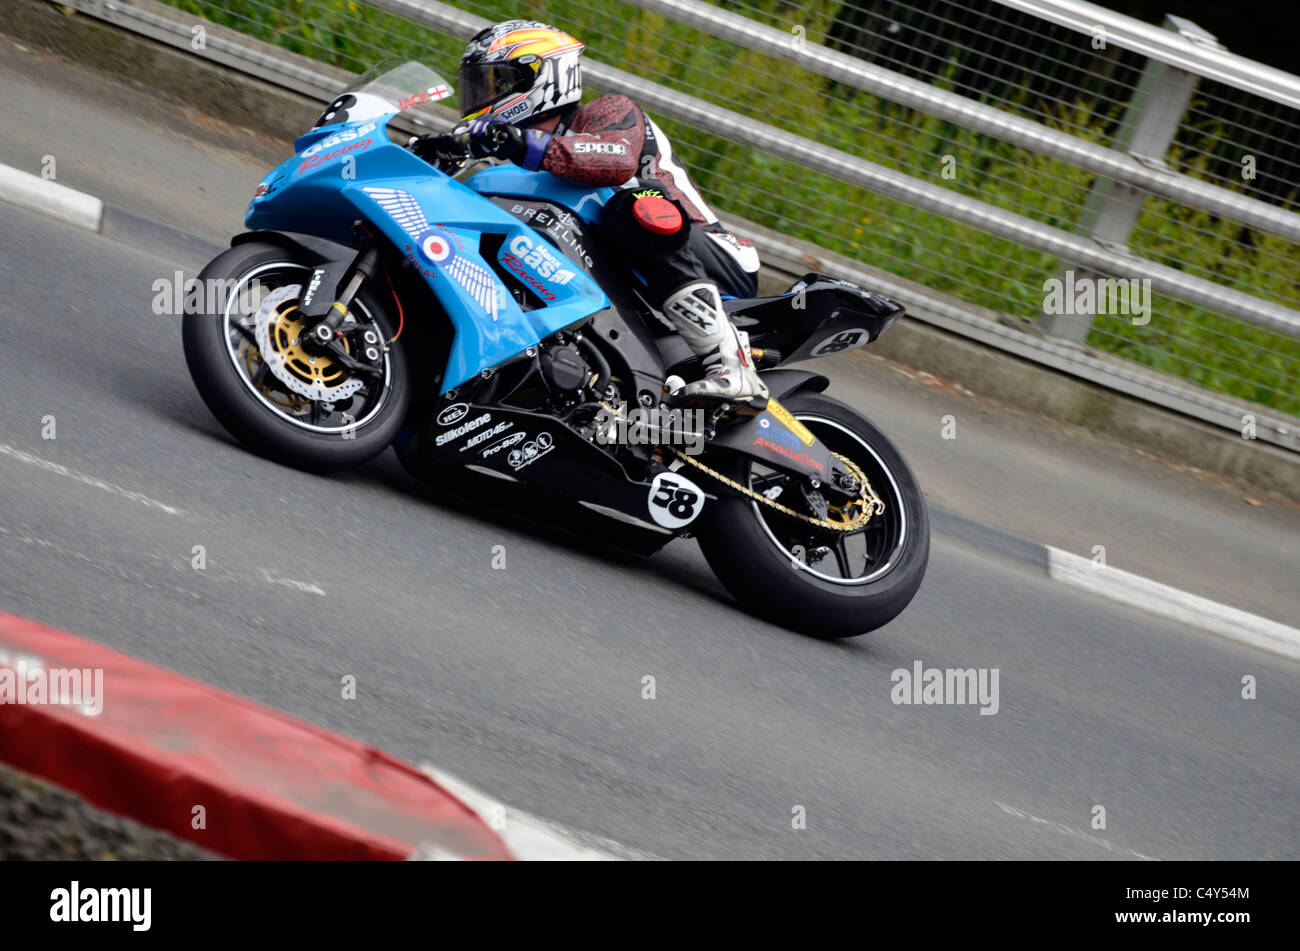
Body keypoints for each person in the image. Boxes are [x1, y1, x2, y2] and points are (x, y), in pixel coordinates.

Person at [425, 19, 768, 403]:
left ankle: (731, 364)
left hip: (714, 258)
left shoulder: (606, 112)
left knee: (635, 206)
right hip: (634, 281)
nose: (483, 96)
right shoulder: (510, 159)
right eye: (479, 85)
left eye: (497, 82)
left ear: (544, 76)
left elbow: (616, 160)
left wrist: (523, 144)